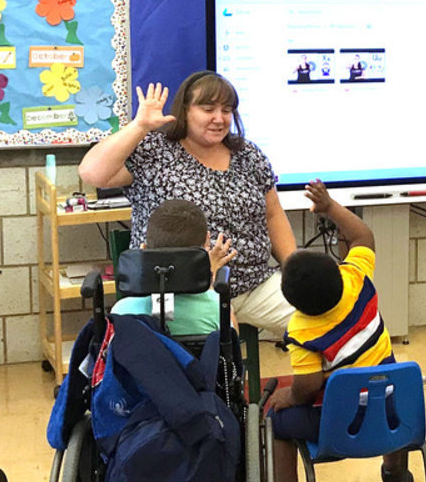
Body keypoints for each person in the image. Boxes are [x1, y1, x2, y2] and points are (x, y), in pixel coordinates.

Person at [78, 72, 298, 339]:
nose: (219, 118)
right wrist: (140, 125)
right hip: (178, 292)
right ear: (185, 110)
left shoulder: (248, 155)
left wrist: (294, 269)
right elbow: (91, 173)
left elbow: (273, 215)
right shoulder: (154, 151)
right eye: (208, 109)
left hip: (255, 285)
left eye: (226, 110)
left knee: (323, 316)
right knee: (198, 351)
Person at [265, 180, 406, 482]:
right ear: (337, 269)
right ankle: (395, 478)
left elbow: (308, 386)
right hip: (392, 413)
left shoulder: (302, 330)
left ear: (293, 303)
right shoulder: (356, 278)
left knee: (274, 422)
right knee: (393, 394)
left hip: (340, 424)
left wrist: (288, 396)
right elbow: (362, 236)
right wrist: (330, 207)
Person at [110, 199, 238, 335]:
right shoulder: (215, 309)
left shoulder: (121, 312)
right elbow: (232, 343)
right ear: (206, 242)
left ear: (144, 249)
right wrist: (210, 276)